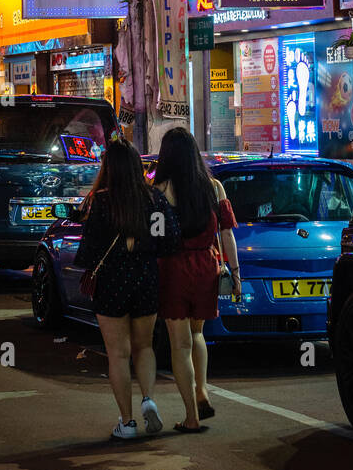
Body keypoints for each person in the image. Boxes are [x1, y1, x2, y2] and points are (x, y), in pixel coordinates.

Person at [75, 138, 180, 441]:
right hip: (146, 277)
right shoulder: (154, 200)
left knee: (118, 355)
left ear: (110, 167)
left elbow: (89, 250)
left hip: (111, 282)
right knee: (144, 346)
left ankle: (128, 422)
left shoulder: (102, 201)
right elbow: (169, 241)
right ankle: (148, 398)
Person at [153, 128, 242, 432]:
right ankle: (202, 390)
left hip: (173, 268)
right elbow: (228, 233)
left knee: (179, 345)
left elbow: (154, 237)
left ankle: (191, 417)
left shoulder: (160, 189)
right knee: (197, 334)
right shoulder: (214, 187)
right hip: (207, 264)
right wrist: (237, 273)